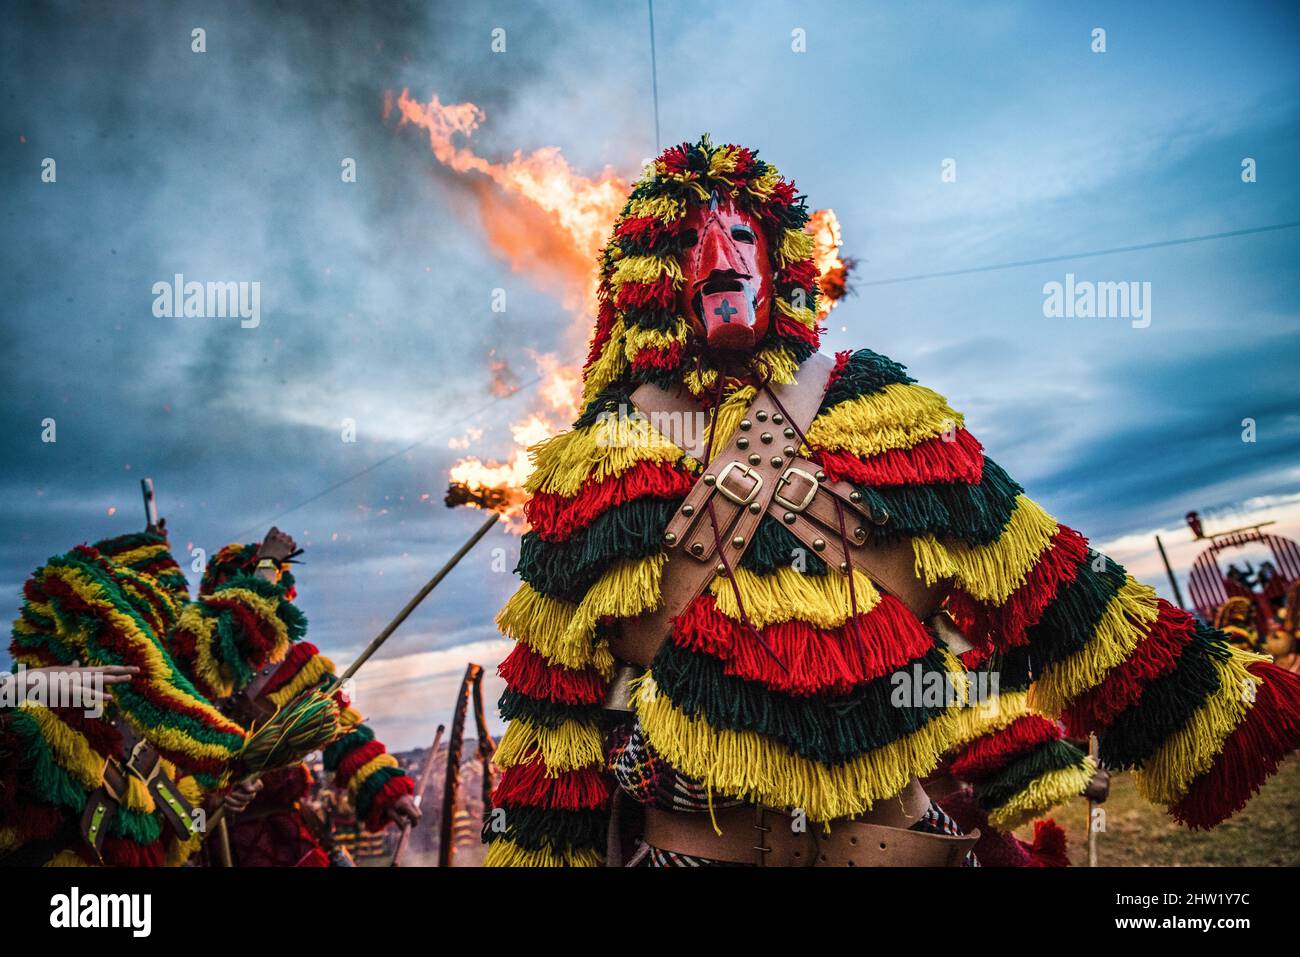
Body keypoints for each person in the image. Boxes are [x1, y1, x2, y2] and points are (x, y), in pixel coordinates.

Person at [483, 136, 1300, 866]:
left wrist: (1213, 698)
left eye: (741, 234)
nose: (717, 253)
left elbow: (1046, 576)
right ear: (654, 274)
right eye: (690, 240)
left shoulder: (881, 408)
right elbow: (550, 720)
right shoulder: (591, 465)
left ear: (778, 264)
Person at [164, 528, 420, 866]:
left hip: (287, 836)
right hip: (211, 840)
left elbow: (346, 736)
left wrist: (390, 794)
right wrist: (211, 797)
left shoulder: (302, 667)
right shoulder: (190, 668)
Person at [0, 530, 253, 866]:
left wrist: (221, 796)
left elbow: (175, 830)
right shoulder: (32, 725)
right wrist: (17, 687)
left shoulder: (143, 746)